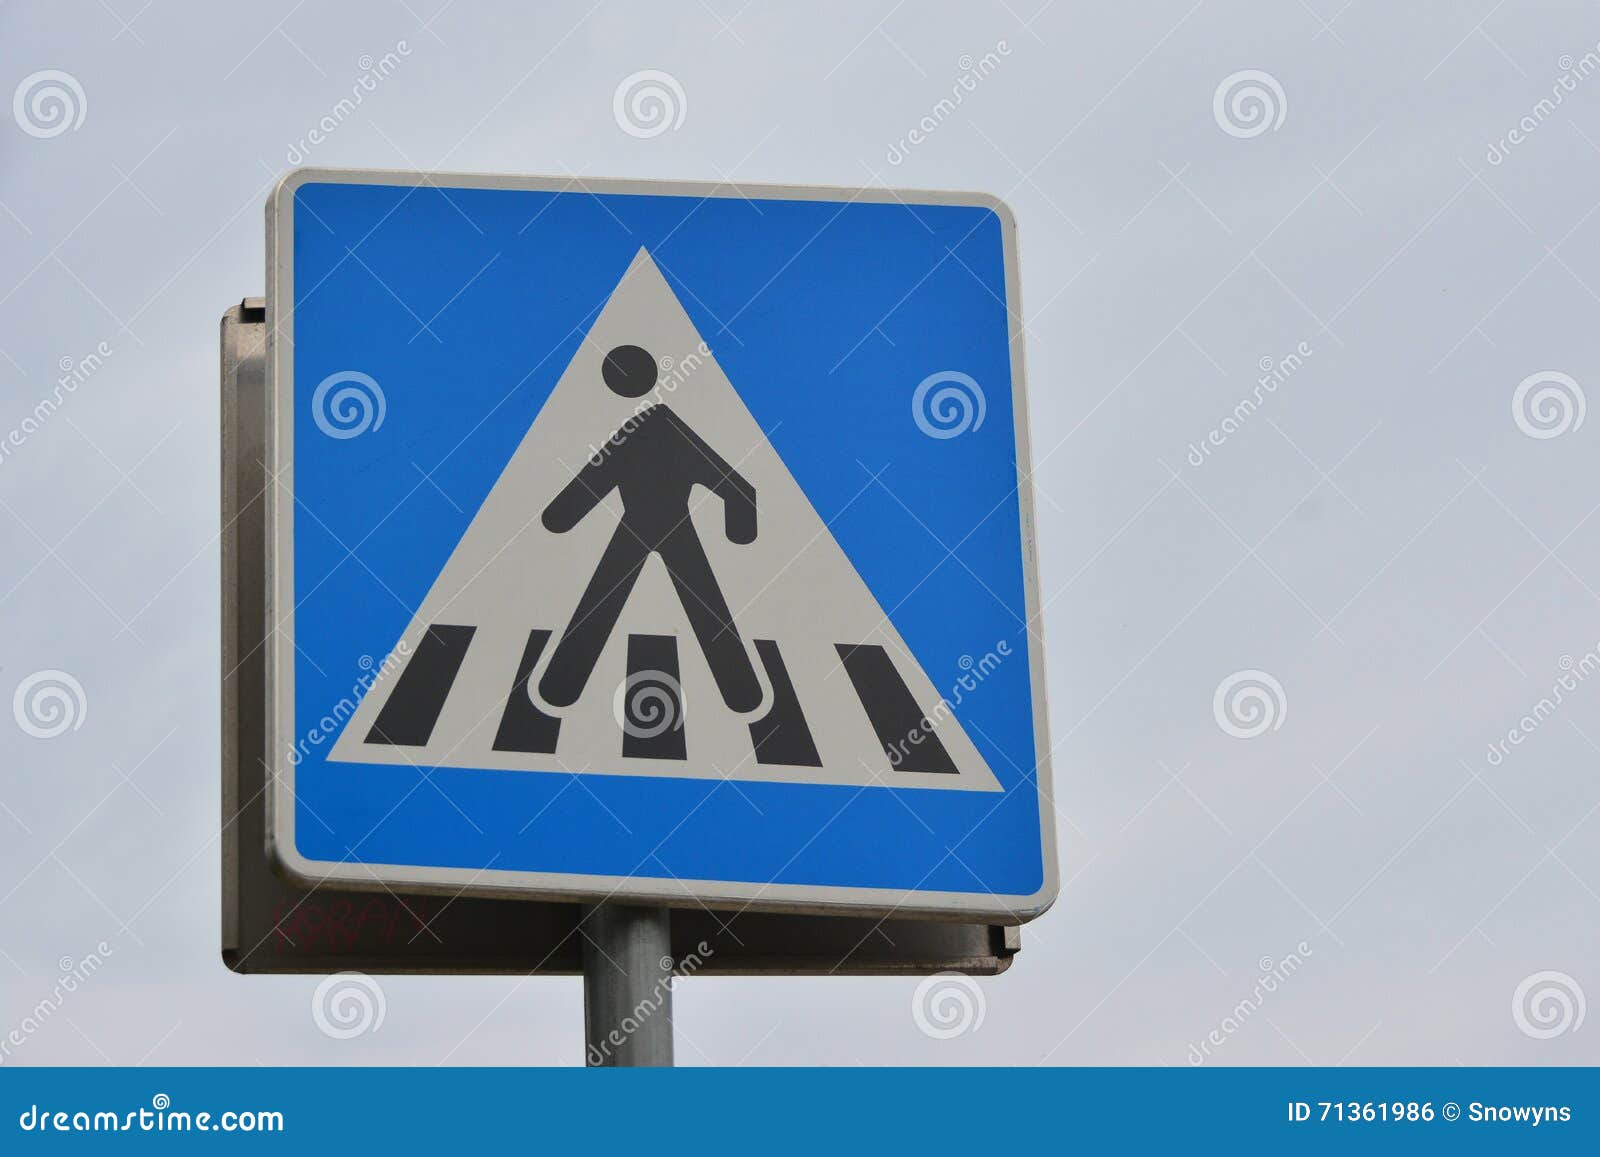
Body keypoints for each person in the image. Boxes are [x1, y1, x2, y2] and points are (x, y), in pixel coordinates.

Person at [538, 343, 762, 714]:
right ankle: (743, 694)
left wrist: (560, 518)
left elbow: (734, 486)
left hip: (658, 525)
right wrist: (738, 528)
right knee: (695, 604)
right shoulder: (652, 429)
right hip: (652, 525)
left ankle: (559, 687)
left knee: (607, 600)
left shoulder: (651, 429)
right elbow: (735, 487)